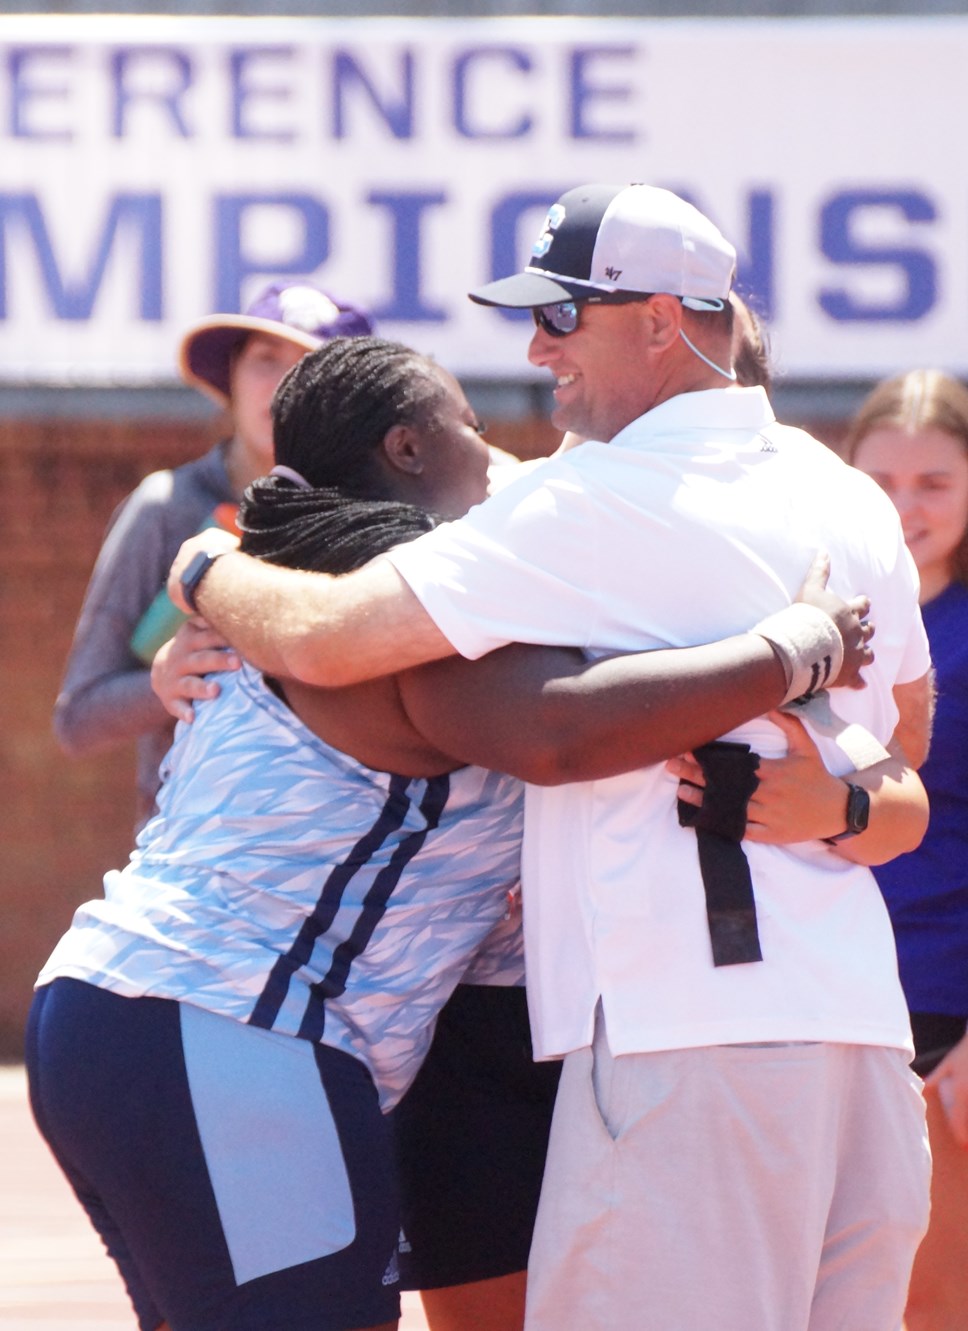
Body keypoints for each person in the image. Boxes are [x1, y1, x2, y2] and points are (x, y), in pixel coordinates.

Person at [166, 184, 934, 1331]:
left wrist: (201, 568)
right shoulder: (845, 494)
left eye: (562, 317)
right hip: (859, 1039)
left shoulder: (583, 497)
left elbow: (327, 639)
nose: (535, 348)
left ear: (663, 319)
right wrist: (838, 803)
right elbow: (903, 741)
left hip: (685, 1042)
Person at [52, 280, 374, 830]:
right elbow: (77, 719)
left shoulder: (376, 519)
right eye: (265, 361)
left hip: (337, 865)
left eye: (308, 365)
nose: (283, 386)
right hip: (187, 867)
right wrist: (164, 682)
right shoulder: (167, 508)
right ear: (231, 375)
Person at [844, 368, 968, 1331]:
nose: (904, 507)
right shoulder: (804, 625)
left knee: (929, 1305)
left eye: (934, 482)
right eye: (882, 482)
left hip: (942, 1018)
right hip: (817, 996)